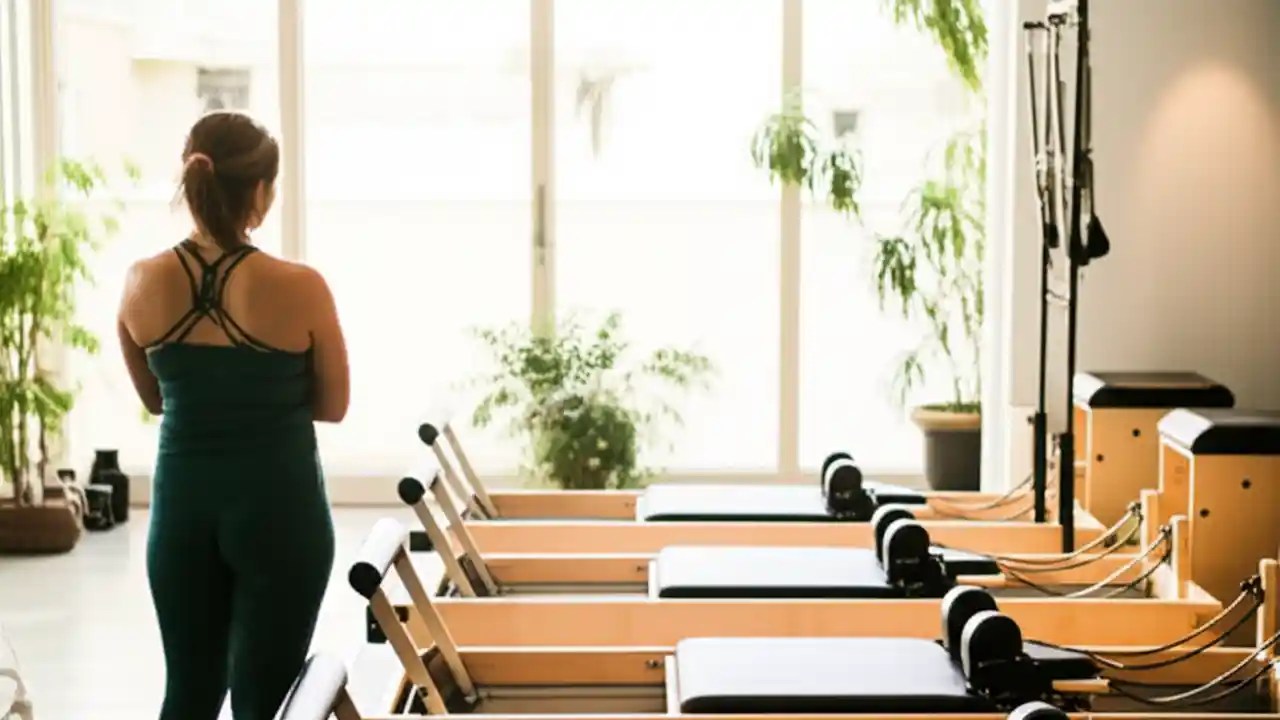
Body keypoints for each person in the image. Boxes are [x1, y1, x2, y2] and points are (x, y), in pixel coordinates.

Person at [115, 110, 349, 720]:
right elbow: (334, 404)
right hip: (280, 509)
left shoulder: (140, 282)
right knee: (263, 702)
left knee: (187, 695)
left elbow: (155, 399)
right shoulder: (301, 286)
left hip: (184, 511)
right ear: (262, 193)